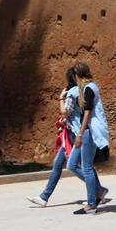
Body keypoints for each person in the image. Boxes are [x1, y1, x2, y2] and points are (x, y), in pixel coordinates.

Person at [27, 68, 81, 207]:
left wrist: (61, 98)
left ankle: (98, 190)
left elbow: (65, 111)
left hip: (73, 135)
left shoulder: (72, 93)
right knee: (58, 164)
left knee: (78, 166)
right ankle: (44, 197)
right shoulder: (81, 91)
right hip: (70, 133)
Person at [69, 61, 110, 214]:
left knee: (86, 167)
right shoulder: (86, 88)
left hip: (87, 131)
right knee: (72, 164)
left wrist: (80, 134)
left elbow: (87, 113)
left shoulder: (89, 89)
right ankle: (98, 190)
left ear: (77, 75)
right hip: (84, 131)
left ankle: (92, 203)